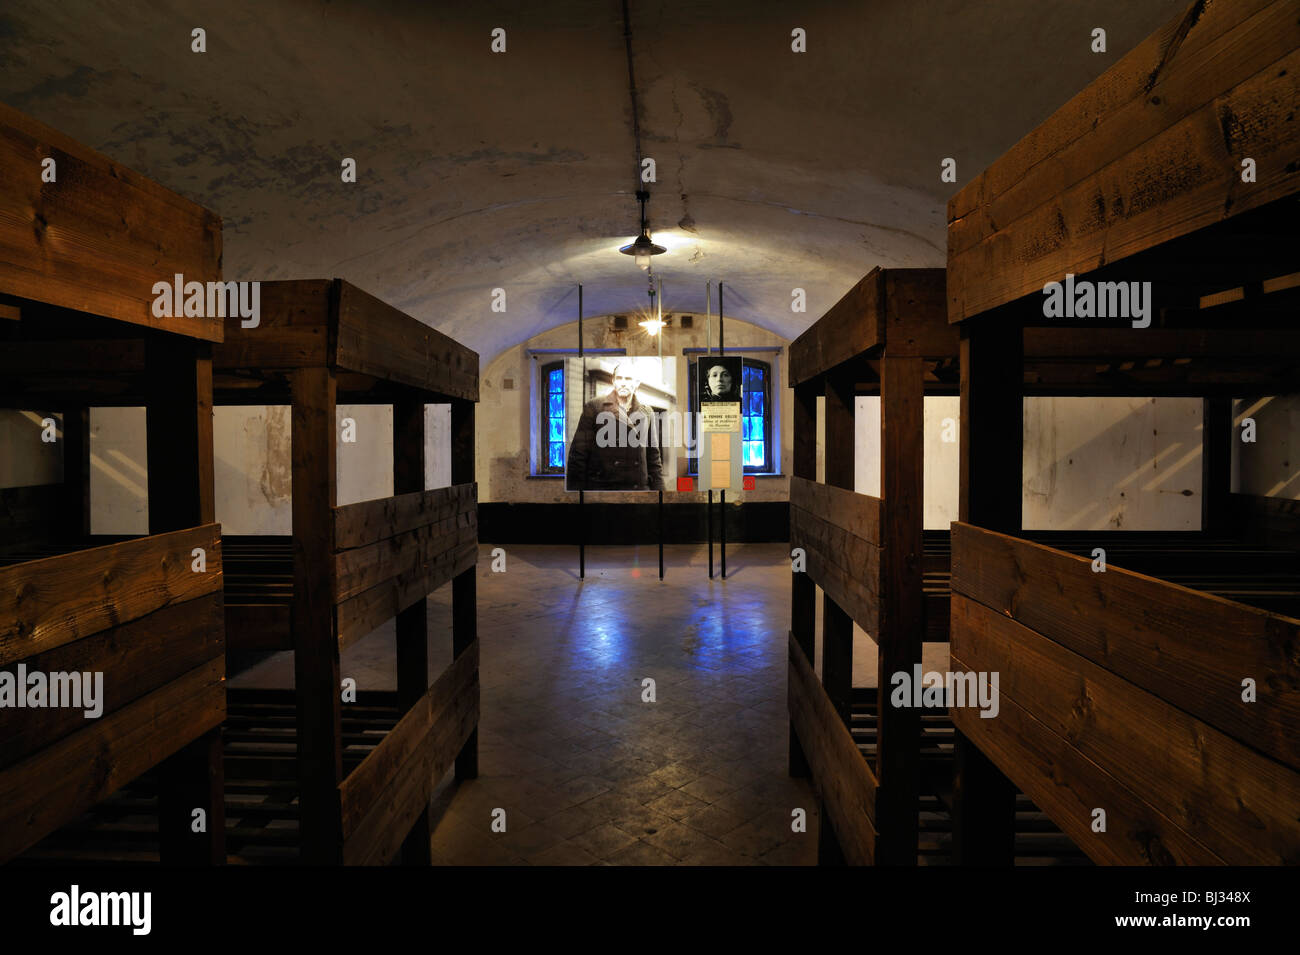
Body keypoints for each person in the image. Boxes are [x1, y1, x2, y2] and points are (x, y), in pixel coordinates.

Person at [566, 362, 664, 491]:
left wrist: (661, 495)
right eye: (619, 378)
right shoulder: (594, 407)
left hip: (638, 491)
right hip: (604, 491)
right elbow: (578, 456)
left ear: (637, 383)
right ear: (613, 381)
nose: (623, 383)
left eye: (628, 379)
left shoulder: (647, 412)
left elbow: (654, 459)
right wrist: (576, 497)